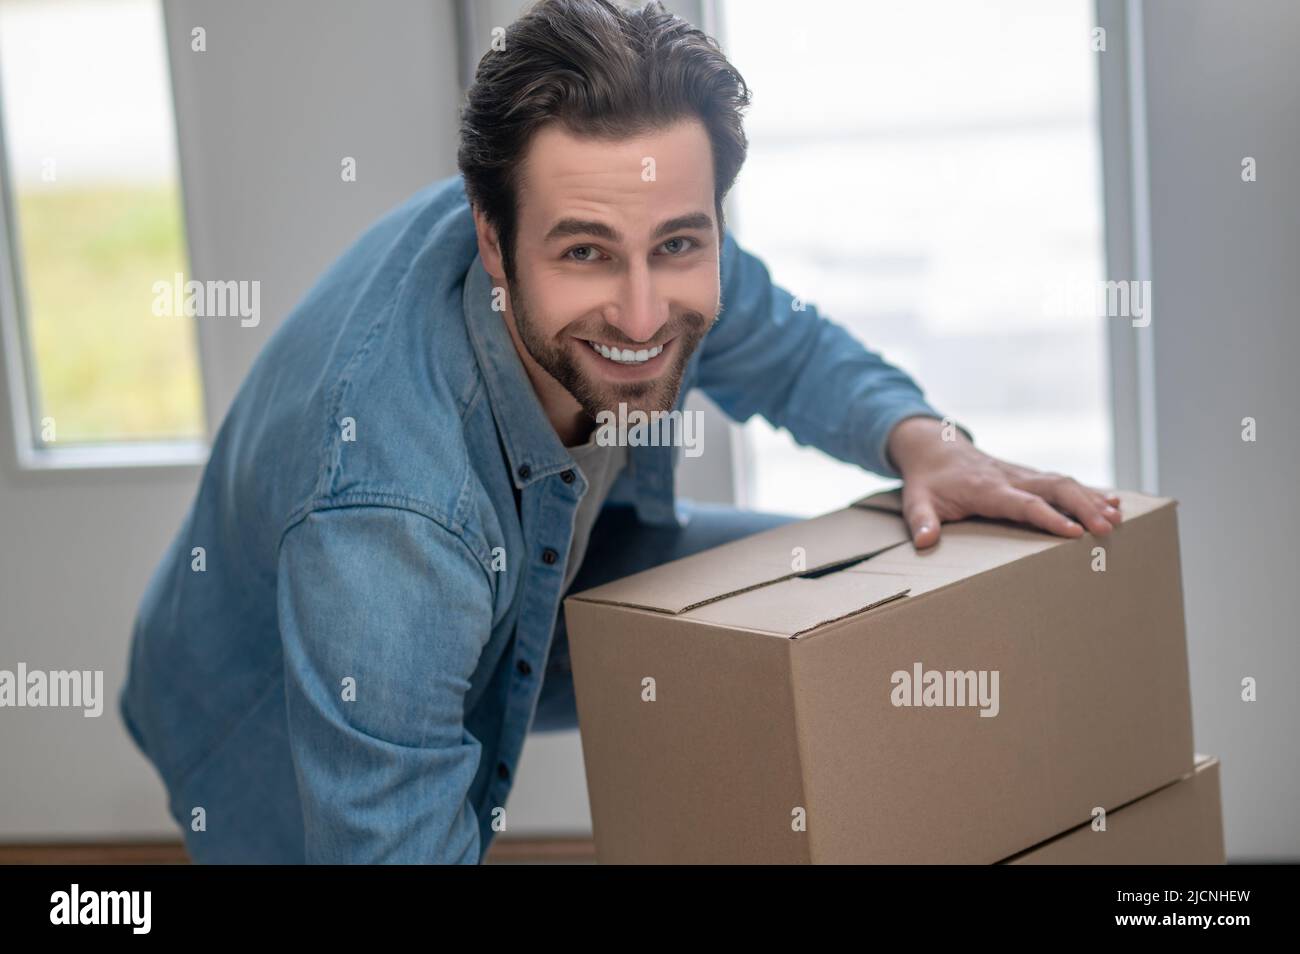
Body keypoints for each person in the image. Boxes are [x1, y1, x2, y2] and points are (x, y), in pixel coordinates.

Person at [120, 0, 1121, 863]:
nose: (643, 317)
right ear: (492, 237)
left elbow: (787, 348)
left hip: (538, 569)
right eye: (588, 254)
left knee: (829, 613)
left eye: (677, 245)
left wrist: (924, 441)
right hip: (272, 707)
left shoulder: (616, 208)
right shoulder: (390, 531)